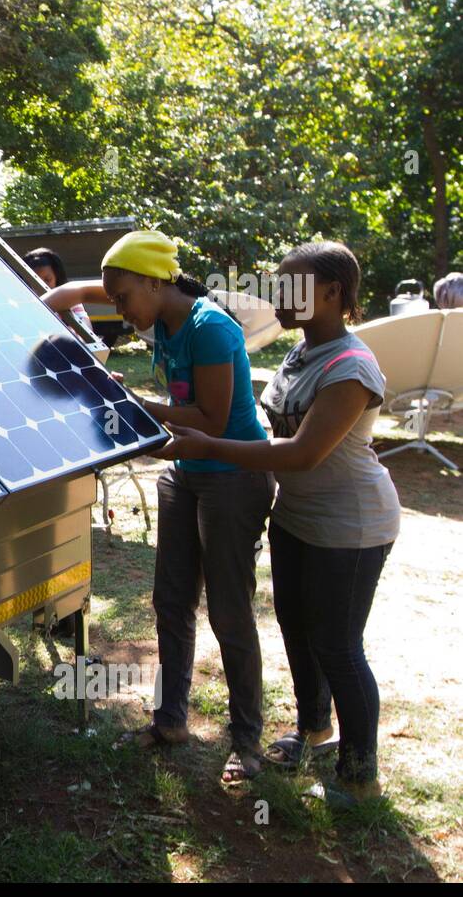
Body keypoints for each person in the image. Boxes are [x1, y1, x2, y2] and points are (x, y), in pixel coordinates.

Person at [160, 241, 400, 807]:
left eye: (292, 285)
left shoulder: (352, 366)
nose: (278, 295)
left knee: (338, 645)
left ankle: (359, 773)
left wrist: (211, 445)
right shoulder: (299, 353)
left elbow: (301, 454)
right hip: (295, 518)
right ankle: (313, 730)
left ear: (335, 294)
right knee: (296, 629)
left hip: (352, 526)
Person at [42, 231, 274, 783]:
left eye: (123, 298)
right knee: (170, 603)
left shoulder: (210, 328)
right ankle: (170, 720)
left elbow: (213, 419)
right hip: (184, 474)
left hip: (232, 479)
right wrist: (64, 303)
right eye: (114, 299)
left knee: (228, 611)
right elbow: (60, 298)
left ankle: (247, 740)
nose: (118, 311)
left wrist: (137, 405)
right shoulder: (160, 318)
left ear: (153, 280)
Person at [24, 247, 93, 336]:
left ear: (57, 277)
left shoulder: (70, 300)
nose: (40, 285)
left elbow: (86, 330)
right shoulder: (23, 304)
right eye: (34, 280)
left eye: (48, 279)